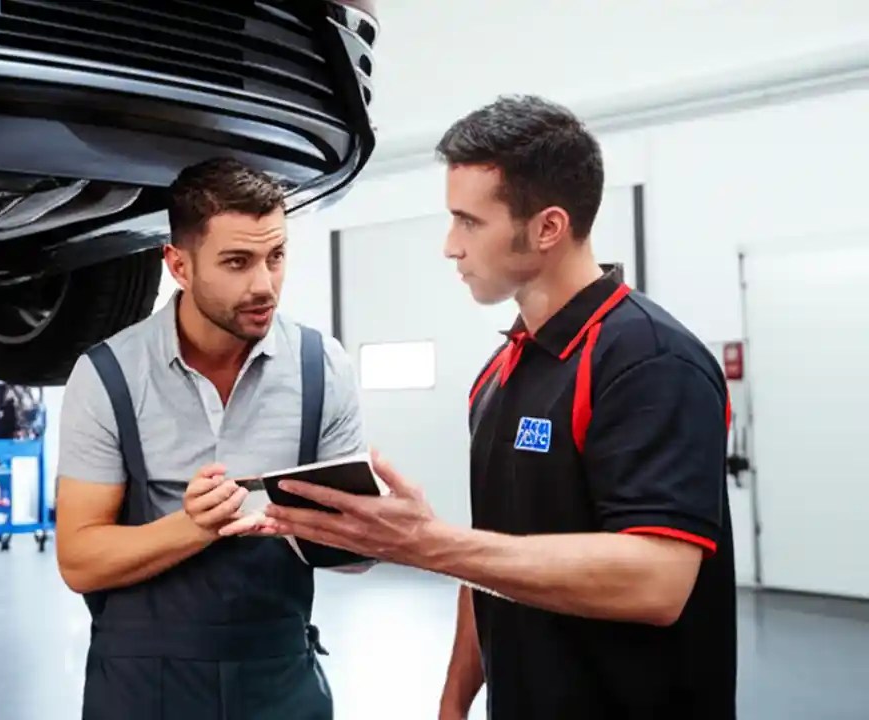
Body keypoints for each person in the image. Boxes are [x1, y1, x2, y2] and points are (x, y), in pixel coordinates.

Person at [260, 95, 738, 719]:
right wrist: (456, 699)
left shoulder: (648, 360)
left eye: (469, 221)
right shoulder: (501, 372)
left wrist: (428, 545)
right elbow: (493, 553)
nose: (450, 247)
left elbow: (657, 581)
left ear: (547, 227)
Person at [54, 156, 369, 720]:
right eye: (236, 262)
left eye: (276, 257)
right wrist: (195, 526)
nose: (263, 285)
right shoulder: (109, 375)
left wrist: (369, 531)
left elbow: (352, 553)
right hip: (142, 685)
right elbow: (80, 559)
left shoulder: (324, 366)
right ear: (178, 265)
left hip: (279, 677)